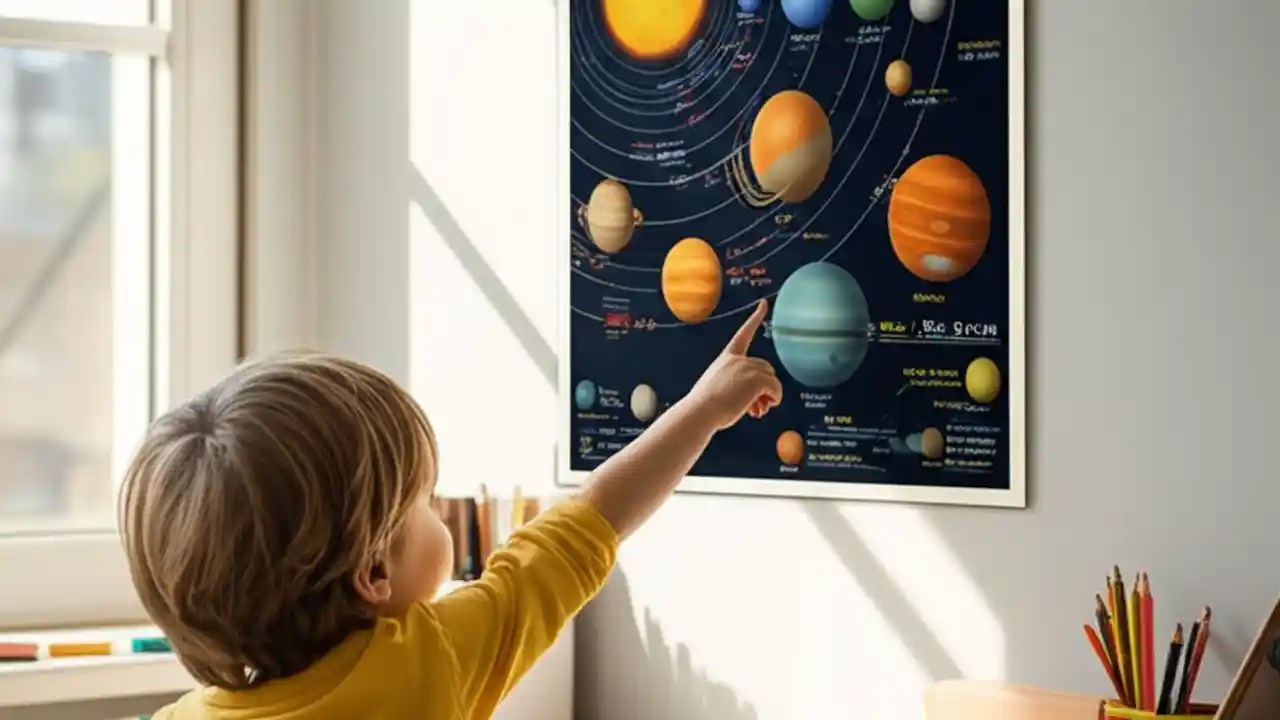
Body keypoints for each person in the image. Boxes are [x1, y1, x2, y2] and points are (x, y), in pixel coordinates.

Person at [120, 300, 782, 719]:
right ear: (373, 572)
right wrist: (703, 409)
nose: (437, 511)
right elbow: (588, 525)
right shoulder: (427, 662)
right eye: (425, 502)